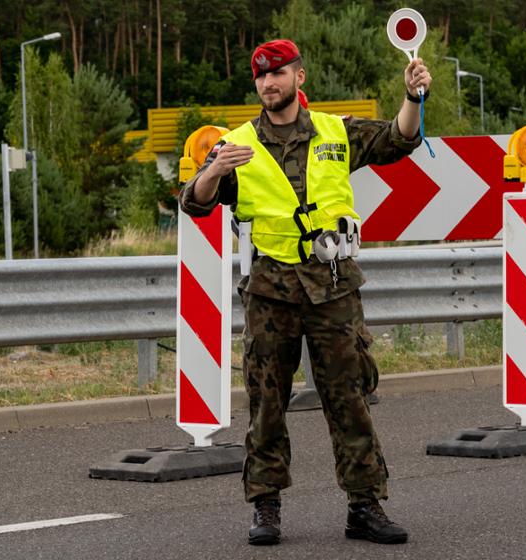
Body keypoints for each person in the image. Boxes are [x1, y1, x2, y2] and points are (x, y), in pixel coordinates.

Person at [178, 39, 430, 546]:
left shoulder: (336, 130)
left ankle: (365, 506)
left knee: (349, 397)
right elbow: (195, 204)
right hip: (272, 292)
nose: (269, 83)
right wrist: (213, 171)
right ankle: (265, 508)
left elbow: (398, 141)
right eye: (261, 77)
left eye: (279, 74)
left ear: (300, 77)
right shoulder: (237, 143)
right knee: (267, 402)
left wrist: (413, 97)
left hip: (333, 287)